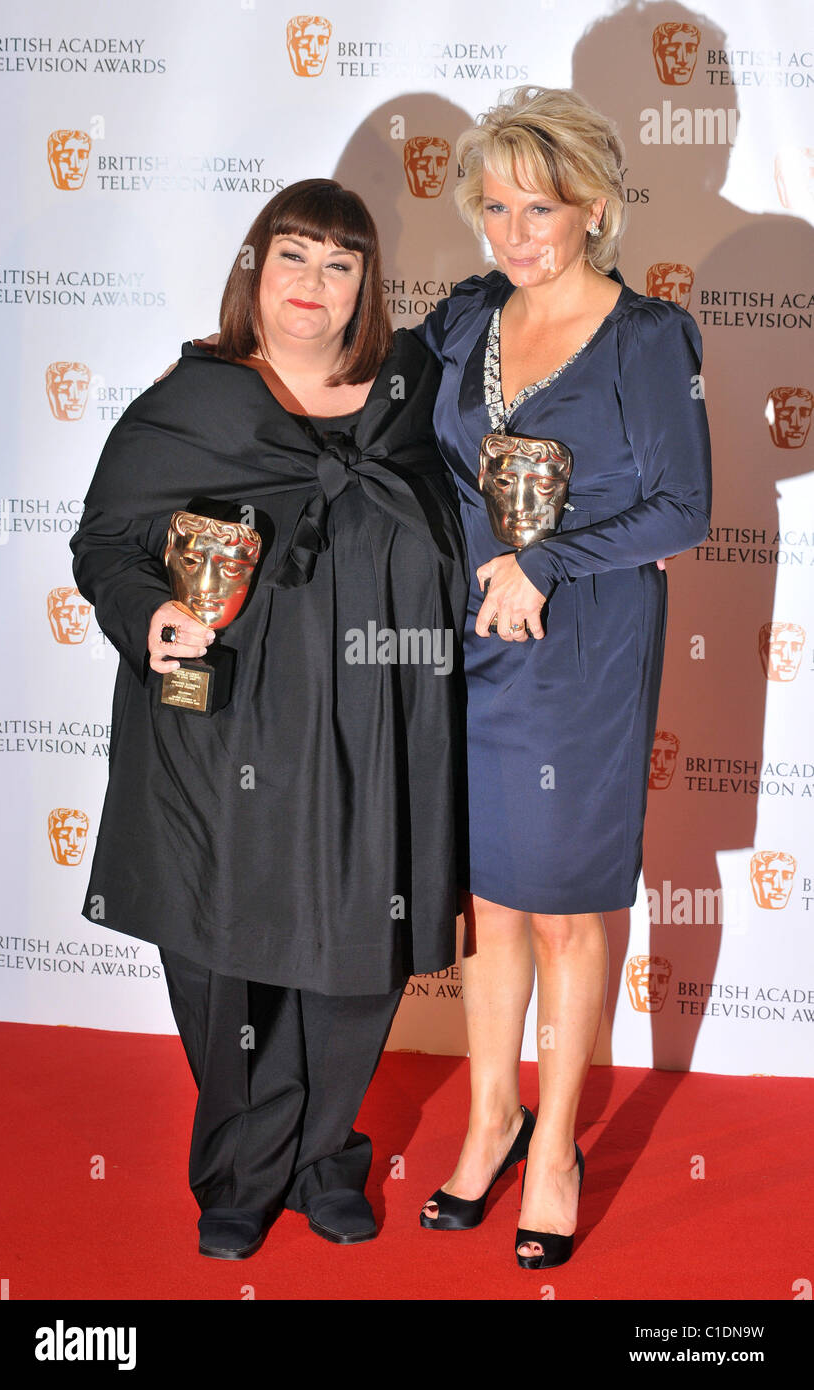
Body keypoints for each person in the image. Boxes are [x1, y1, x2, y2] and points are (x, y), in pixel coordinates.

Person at [70, 180, 468, 1259]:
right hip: (222, 729)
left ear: (366, 288)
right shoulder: (197, 400)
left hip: (368, 723)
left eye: (340, 266)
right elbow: (104, 542)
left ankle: (323, 1150)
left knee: (356, 948)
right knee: (218, 951)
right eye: (292, 257)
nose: (312, 285)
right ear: (256, 268)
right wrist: (146, 608)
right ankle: (241, 1169)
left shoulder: (410, 391)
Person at [413, 87, 711, 1268]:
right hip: (469, 640)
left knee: (570, 910)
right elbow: (401, 441)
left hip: (583, 645)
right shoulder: (464, 316)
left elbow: (684, 507)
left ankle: (555, 1151)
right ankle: (491, 1119)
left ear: (592, 206)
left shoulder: (648, 337)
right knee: (489, 899)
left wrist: (548, 561)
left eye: (539, 207)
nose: (516, 233)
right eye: (494, 207)